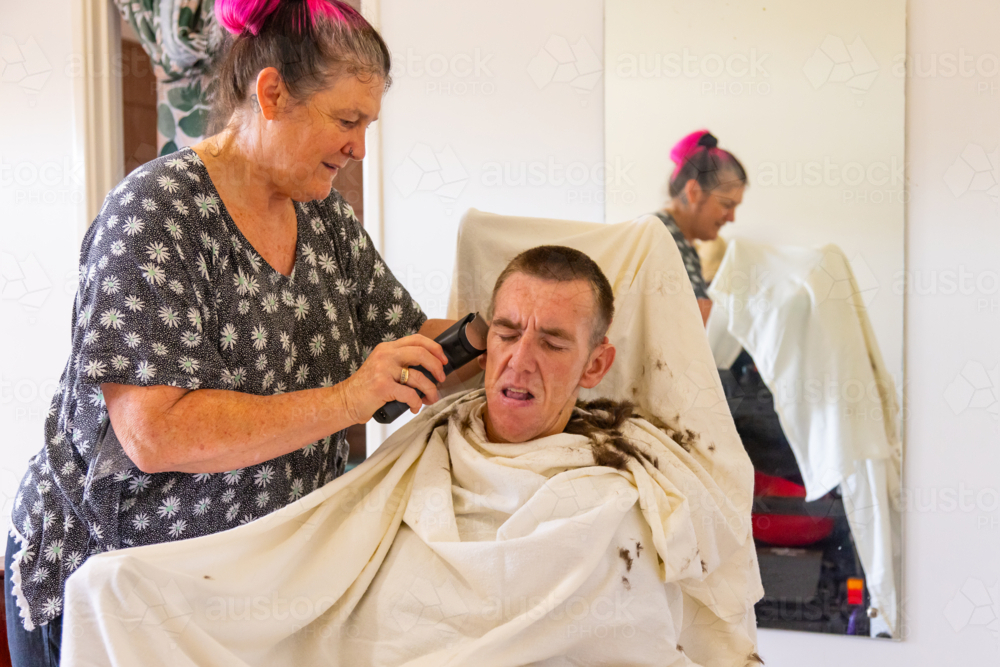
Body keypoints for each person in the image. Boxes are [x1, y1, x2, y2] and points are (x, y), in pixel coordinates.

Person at [4, 2, 459, 663]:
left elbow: (408, 340)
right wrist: (348, 399)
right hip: (118, 590)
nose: (360, 146)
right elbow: (156, 434)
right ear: (271, 93)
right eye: (347, 119)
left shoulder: (325, 219)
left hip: (243, 585)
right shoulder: (158, 212)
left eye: (367, 124)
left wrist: (514, 333)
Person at [63, 246, 763, 667]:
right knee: (110, 590)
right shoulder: (424, 447)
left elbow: (624, 640)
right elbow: (325, 568)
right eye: (509, 331)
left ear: (595, 363)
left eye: (552, 341)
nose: (518, 361)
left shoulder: (620, 496)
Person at [654, 129, 747, 324]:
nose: (731, 218)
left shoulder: (682, 240)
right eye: (726, 205)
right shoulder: (658, 238)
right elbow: (692, 322)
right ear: (694, 192)